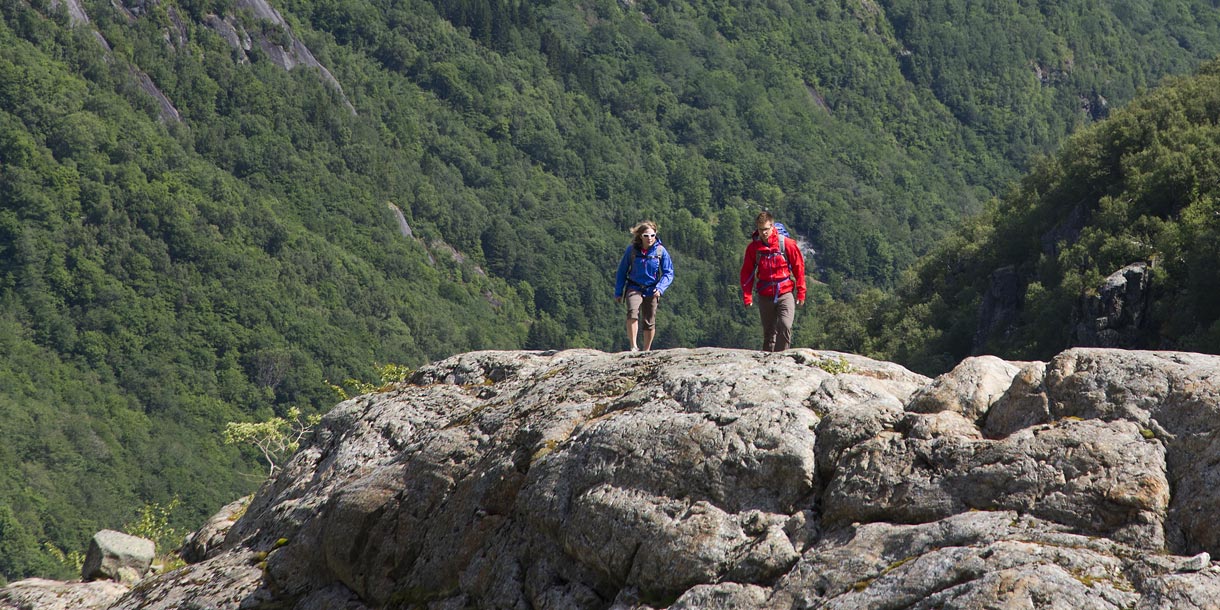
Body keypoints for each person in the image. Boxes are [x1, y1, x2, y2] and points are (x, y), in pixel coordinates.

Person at [740, 211, 806, 352]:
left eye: (766, 229)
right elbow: (746, 273)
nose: (763, 233)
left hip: (785, 292)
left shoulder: (787, 244)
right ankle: (768, 362)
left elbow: (799, 268)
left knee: (785, 325)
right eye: (760, 229)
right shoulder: (754, 249)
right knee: (769, 333)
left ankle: (782, 357)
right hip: (765, 294)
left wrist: (801, 292)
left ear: (772, 226)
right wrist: (747, 296)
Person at [614, 221, 674, 352]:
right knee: (632, 312)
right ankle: (633, 346)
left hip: (652, 289)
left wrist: (660, 288)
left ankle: (646, 350)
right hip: (634, 287)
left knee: (649, 320)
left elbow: (668, 272)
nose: (650, 238)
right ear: (640, 236)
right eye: (646, 235)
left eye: (652, 235)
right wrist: (618, 291)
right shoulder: (632, 250)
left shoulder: (660, 251)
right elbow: (622, 271)